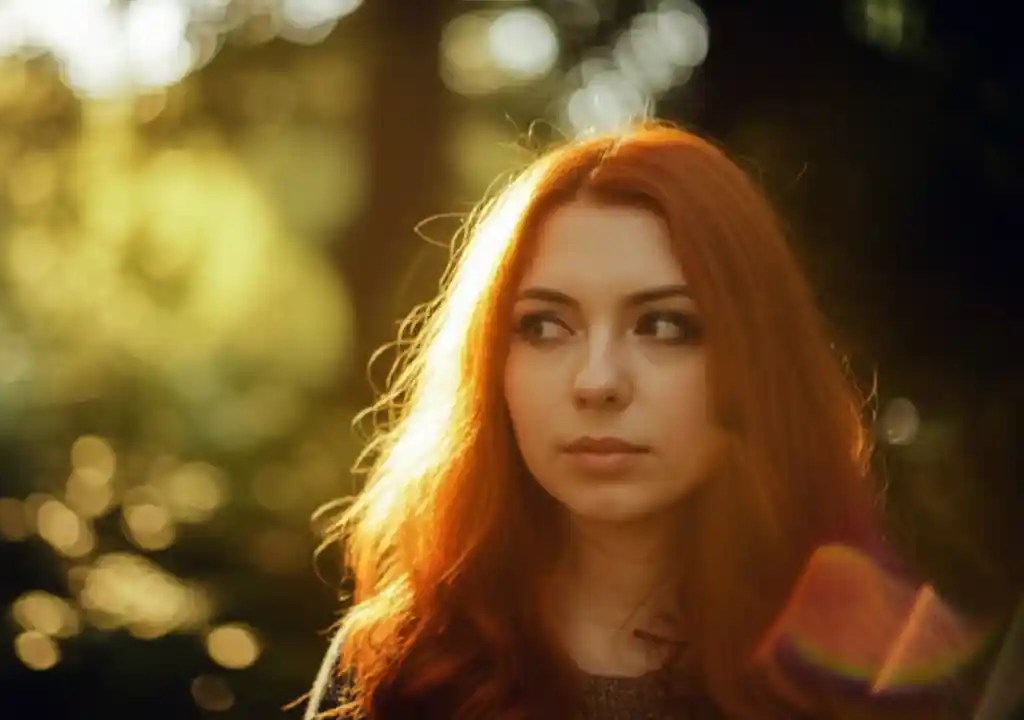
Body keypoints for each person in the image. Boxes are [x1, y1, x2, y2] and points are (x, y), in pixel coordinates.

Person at [298, 122, 969, 719]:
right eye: (545, 325)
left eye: (664, 325)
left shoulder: (866, 679)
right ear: (491, 369)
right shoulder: (405, 667)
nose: (597, 383)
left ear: (756, 359)